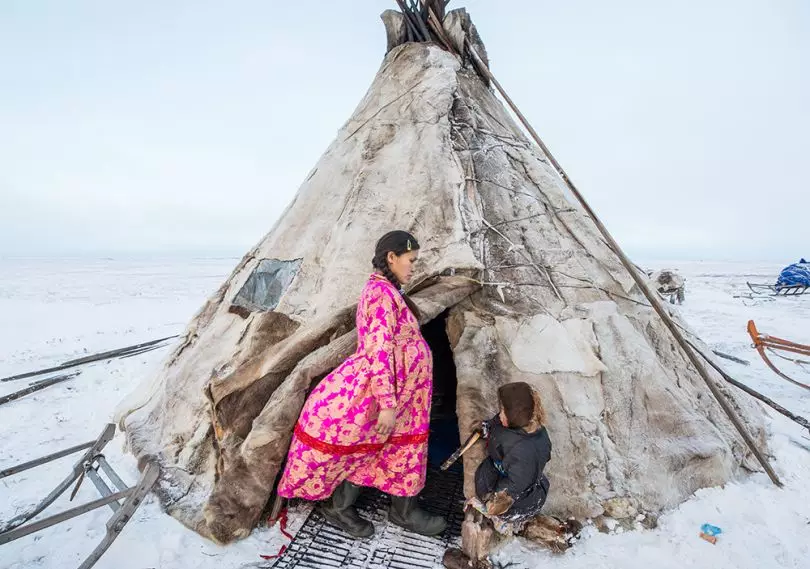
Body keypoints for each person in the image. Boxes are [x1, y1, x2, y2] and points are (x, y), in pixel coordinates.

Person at [276, 230, 446, 538]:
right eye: (411, 260)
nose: (413, 267)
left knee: (395, 449)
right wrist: (388, 404)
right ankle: (339, 506)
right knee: (365, 447)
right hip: (386, 391)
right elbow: (378, 351)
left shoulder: (388, 291)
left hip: (405, 393)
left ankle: (402, 512)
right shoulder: (380, 294)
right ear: (391, 258)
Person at [474, 382, 551, 525]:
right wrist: (489, 427)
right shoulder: (516, 422)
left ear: (516, 415)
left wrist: (500, 500)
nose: (500, 414)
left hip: (519, 500)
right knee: (487, 470)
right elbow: (498, 421)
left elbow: (518, 483)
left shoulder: (523, 451)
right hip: (505, 466)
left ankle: (508, 515)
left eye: (504, 411)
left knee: (485, 483)